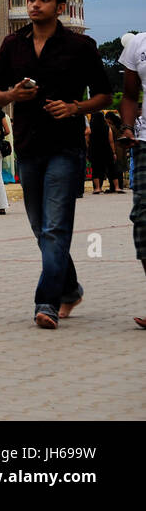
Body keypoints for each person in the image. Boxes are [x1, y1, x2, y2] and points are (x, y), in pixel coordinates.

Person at [0, 0, 111, 330]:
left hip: (65, 147)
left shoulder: (80, 47)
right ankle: (70, 289)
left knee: (55, 227)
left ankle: (48, 302)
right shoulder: (13, 44)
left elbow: (103, 94)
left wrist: (75, 109)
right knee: (41, 226)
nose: (34, 4)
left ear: (61, 6)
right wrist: (11, 96)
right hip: (28, 146)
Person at [116, 31, 146, 328]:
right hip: (144, 143)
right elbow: (129, 95)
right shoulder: (138, 44)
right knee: (143, 221)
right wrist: (126, 127)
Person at [86, 111, 114, 194]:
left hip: (94, 150)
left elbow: (87, 140)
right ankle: (116, 187)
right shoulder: (107, 127)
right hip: (106, 149)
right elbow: (111, 140)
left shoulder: (90, 127)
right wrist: (113, 152)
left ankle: (97, 188)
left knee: (96, 169)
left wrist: (89, 149)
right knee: (109, 168)